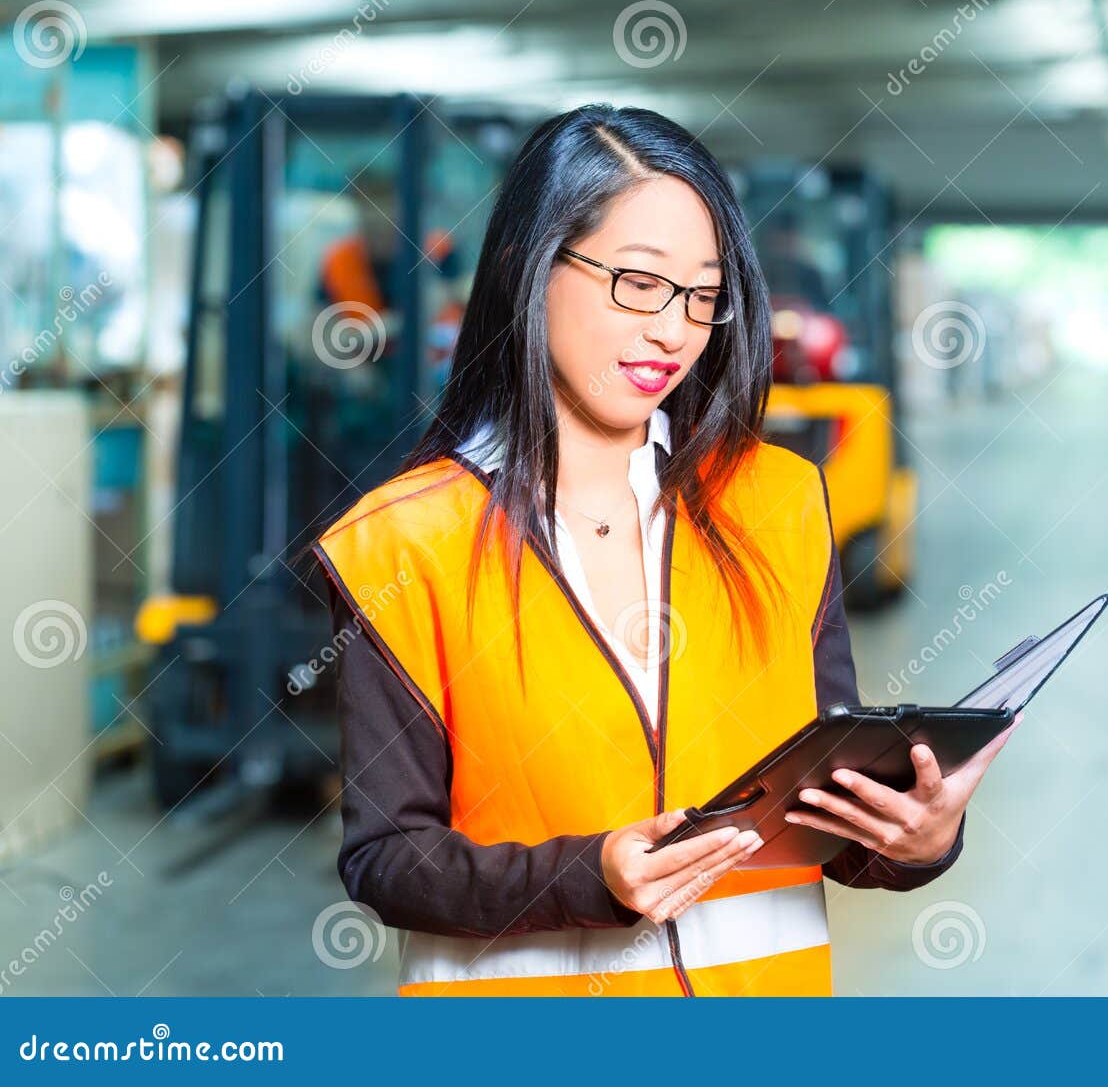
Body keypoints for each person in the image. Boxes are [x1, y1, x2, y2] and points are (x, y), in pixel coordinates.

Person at [310, 104, 1014, 997]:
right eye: (639, 283)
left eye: (702, 295)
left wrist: (916, 840)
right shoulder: (404, 541)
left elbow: (824, 811)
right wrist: (588, 876)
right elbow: (387, 858)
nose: (673, 331)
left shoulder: (778, 504)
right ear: (531, 267)